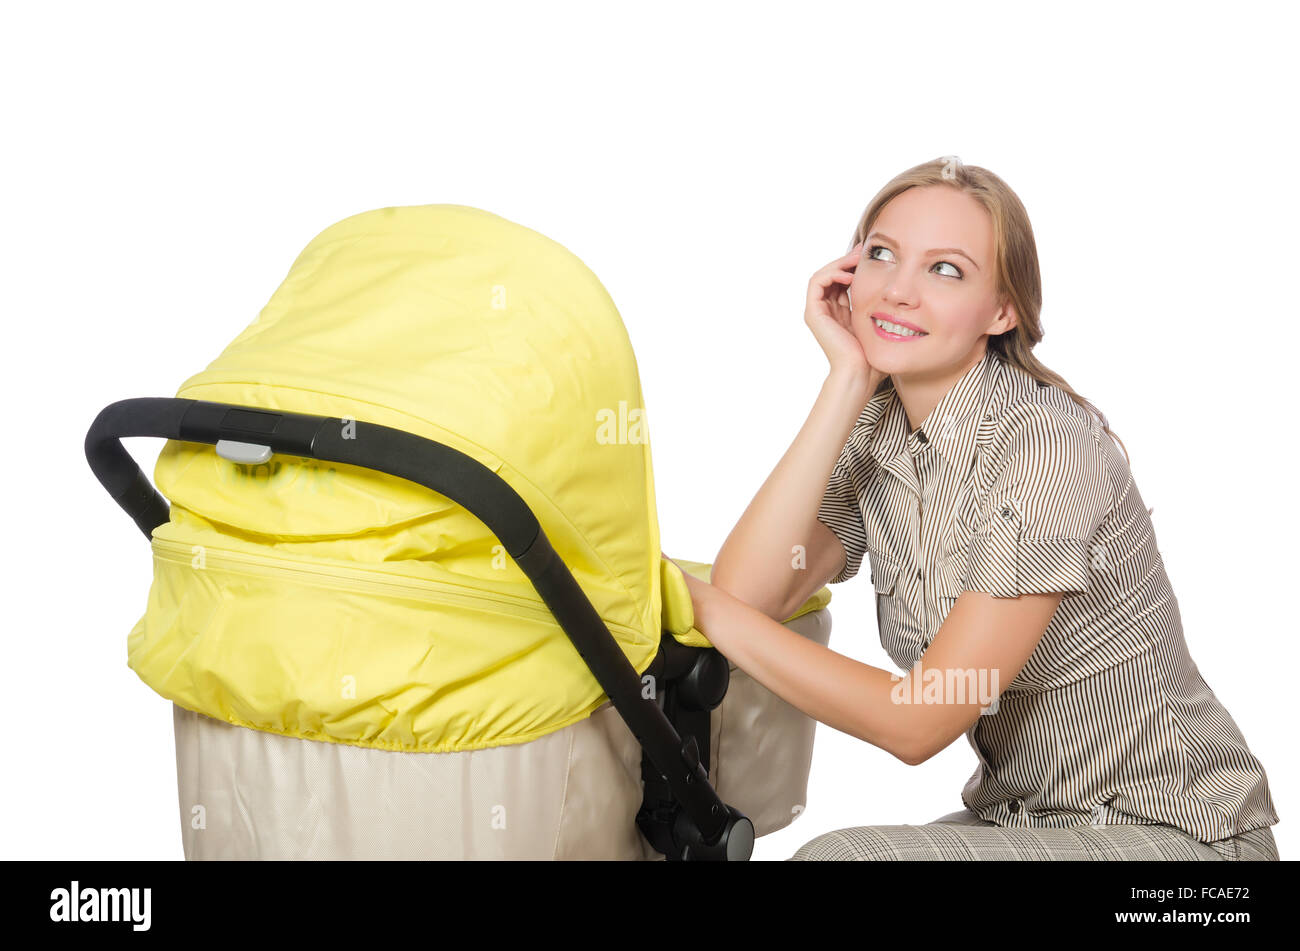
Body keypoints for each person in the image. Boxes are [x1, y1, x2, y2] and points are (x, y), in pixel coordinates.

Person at [673, 155, 1280, 860]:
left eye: (945, 269)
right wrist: (845, 381)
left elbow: (917, 724)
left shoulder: (1045, 450)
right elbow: (748, 595)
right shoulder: (876, 431)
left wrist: (702, 605)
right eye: (881, 254)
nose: (898, 290)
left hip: (1184, 846)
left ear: (1004, 310)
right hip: (1023, 823)